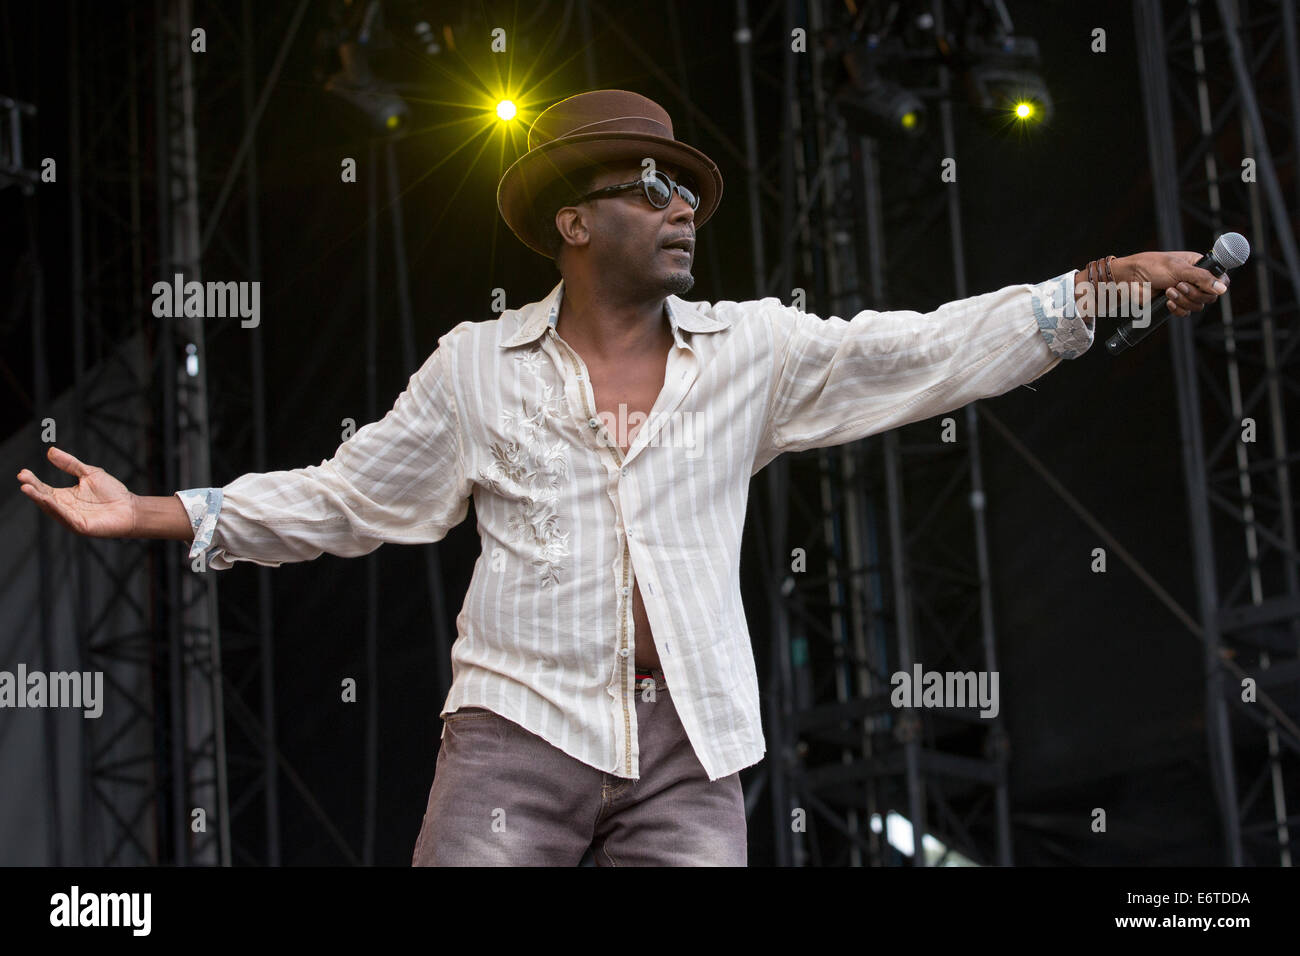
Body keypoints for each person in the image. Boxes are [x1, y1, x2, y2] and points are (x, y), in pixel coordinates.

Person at [16, 89, 1230, 866]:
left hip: (692, 752)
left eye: (691, 187)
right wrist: (166, 510)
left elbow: (911, 351)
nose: (685, 204)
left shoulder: (751, 348)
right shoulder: (476, 367)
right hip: (514, 737)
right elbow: (351, 494)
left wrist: (1089, 290)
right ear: (574, 223)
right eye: (651, 188)